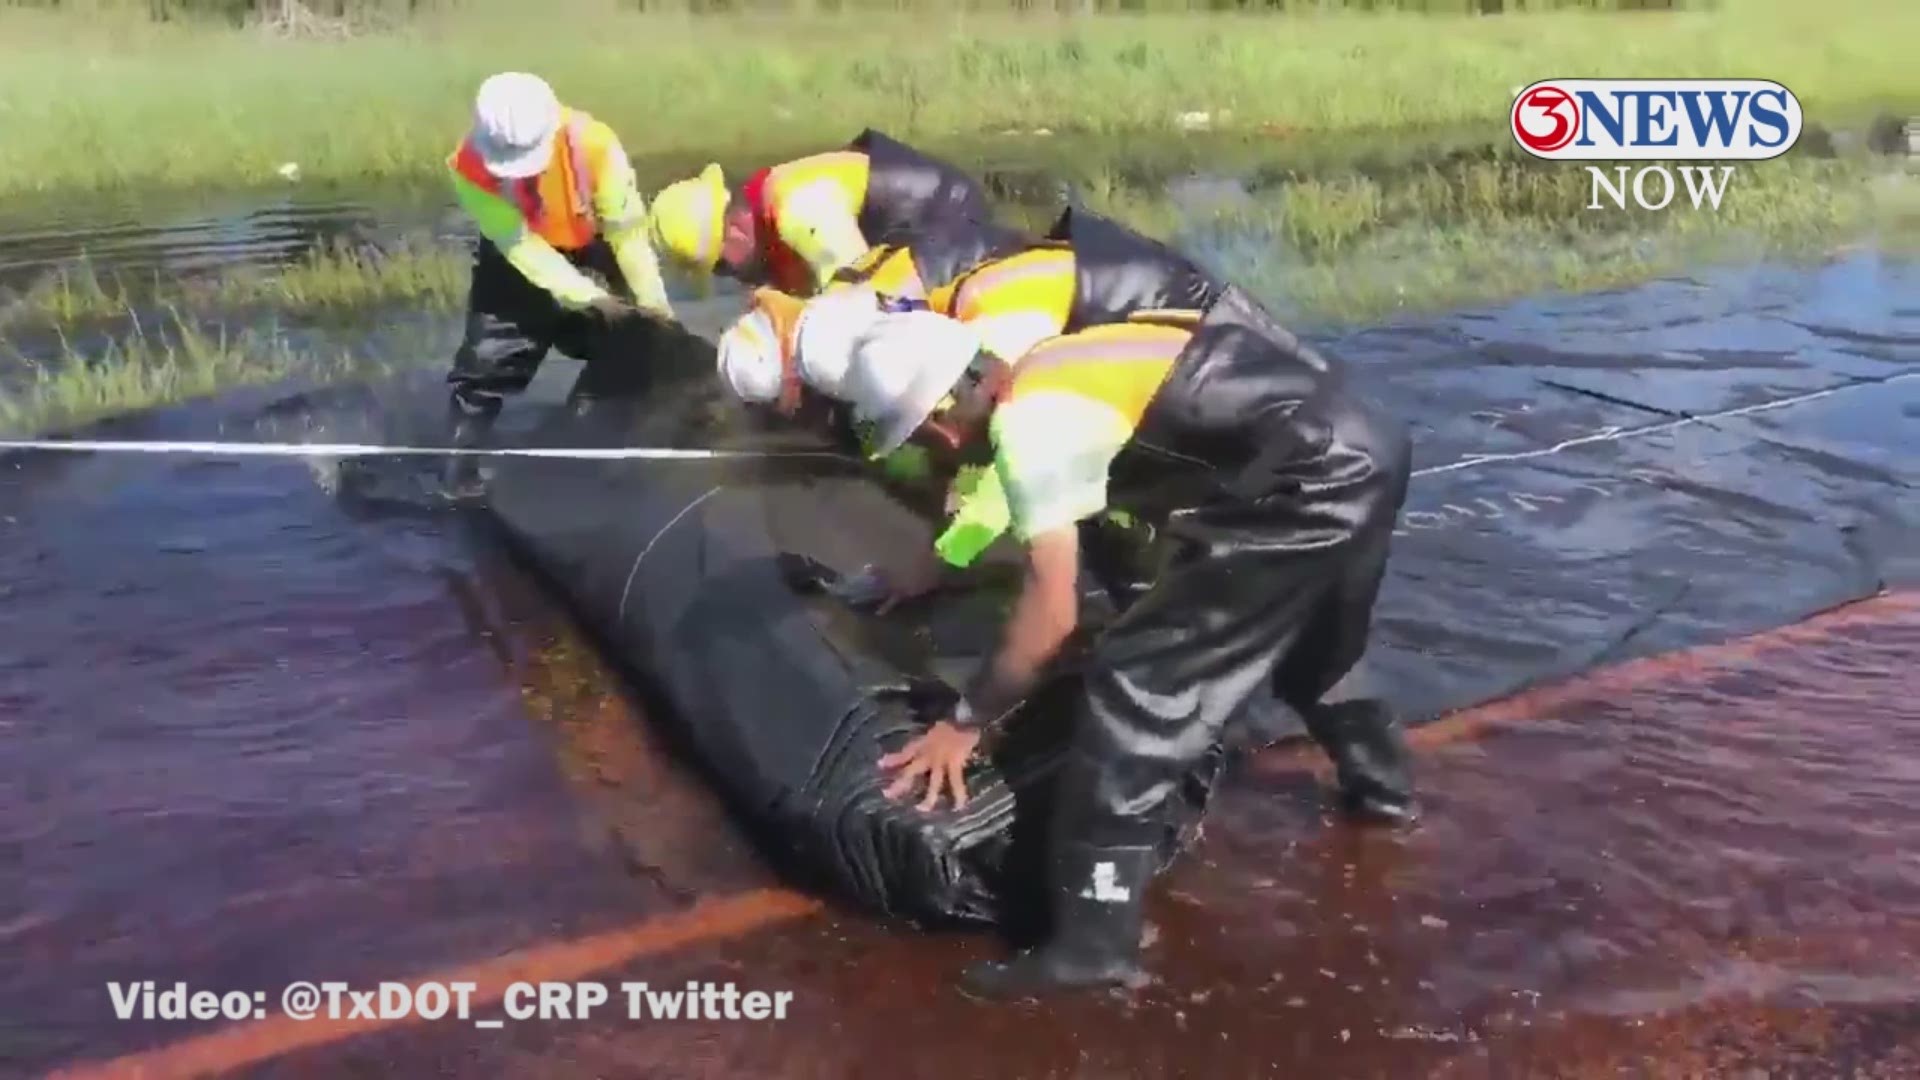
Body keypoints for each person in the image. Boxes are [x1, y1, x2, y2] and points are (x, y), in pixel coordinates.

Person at [755, 286, 1418, 998]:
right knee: (1319, 645)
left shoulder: (1031, 426)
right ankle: (1383, 790)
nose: (937, 451)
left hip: (1303, 482)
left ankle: (1095, 944)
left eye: (921, 436)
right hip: (1366, 441)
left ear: (941, 417)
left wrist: (966, 722)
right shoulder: (1050, 364)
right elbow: (1013, 501)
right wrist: (936, 566)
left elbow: (1053, 609)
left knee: (1135, 688)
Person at [715, 205, 1226, 574]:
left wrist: (943, 559)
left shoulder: (1002, 327)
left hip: (1195, 342)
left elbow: (1019, 463)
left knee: (1069, 476)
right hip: (1121, 338)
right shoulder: (873, 318)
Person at [441, 72, 678, 497]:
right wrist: (590, 298)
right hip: (520, 251)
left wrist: (652, 304)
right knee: (485, 363)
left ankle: (609, 443)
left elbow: (626, 233)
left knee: (642, 341)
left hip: (597, 241)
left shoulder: (596, 145)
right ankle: (458, 476)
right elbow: (517, 245)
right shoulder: (468, 165)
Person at [645, 129, 994, 298]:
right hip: (907, 230)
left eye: (722, 266)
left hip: (949, 226)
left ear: (734, 229)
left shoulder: (799, 209)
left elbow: (857, 292)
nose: (732, 277)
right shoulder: (767, 211)